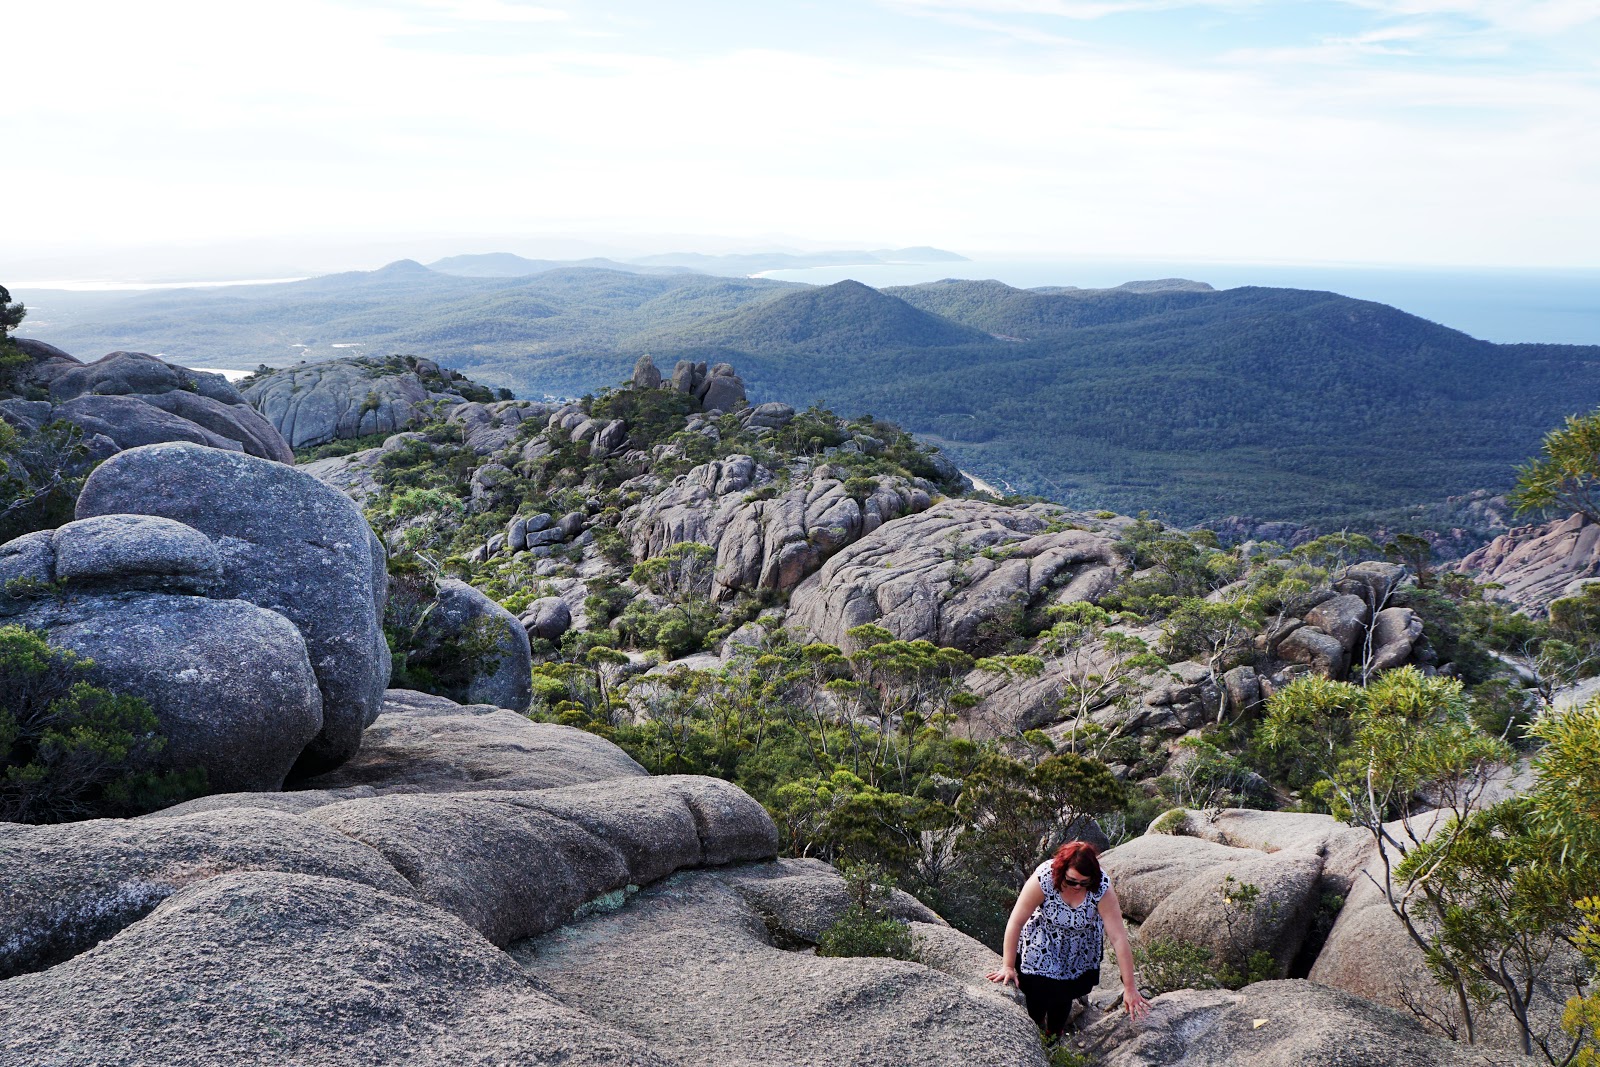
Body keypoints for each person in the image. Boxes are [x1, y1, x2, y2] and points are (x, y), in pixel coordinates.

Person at [985, 840, 1150, 1036]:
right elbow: (1016, 921)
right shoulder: (1045, 877)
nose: (1078, 886)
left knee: (1063, 997)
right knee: (1035, 994)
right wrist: (1007, 966)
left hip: (1077, 952)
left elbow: (1119, 938)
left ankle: (1054, 1037)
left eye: (1084, 882)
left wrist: (1130, 988)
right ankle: (1036, 1029)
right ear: (1061, 871)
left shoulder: (1101, 887)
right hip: (1041, 943)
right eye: (1072, 881)